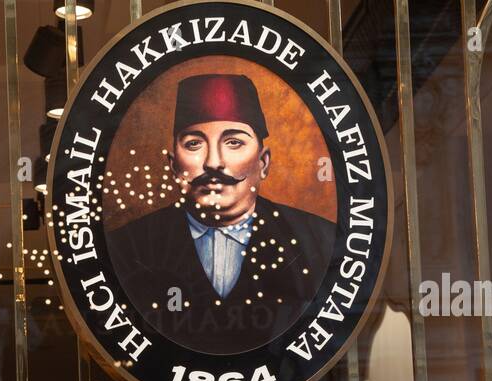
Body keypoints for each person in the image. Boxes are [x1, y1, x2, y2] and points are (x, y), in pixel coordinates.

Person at [107, 73, 335, 353]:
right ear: (174, 166)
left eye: (234, 142)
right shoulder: (127, 247)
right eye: (194, 144)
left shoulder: (319, 241)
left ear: (263, 163)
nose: (214, 162)